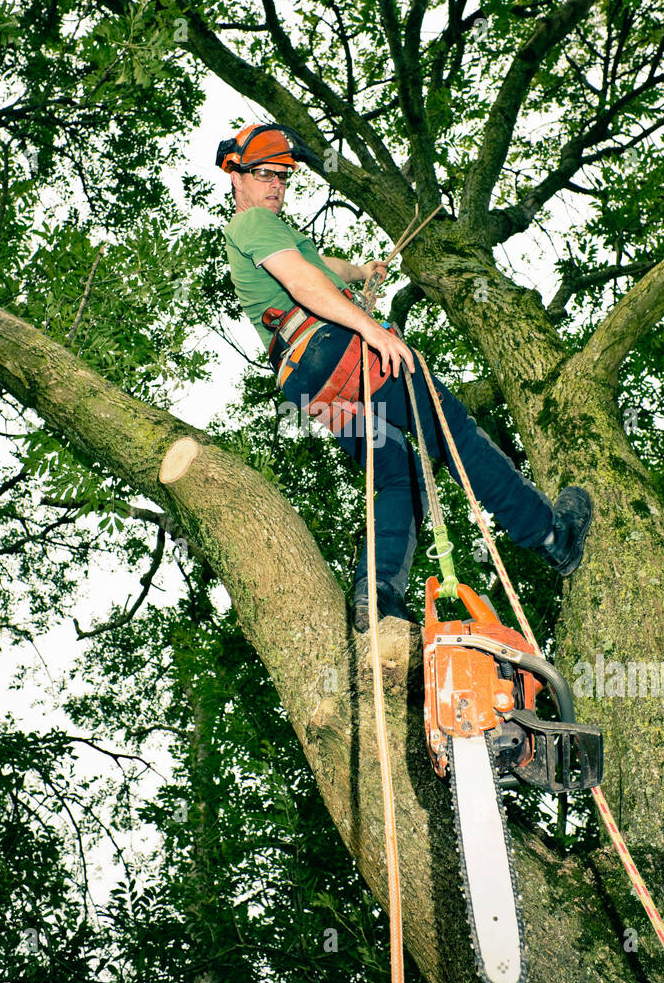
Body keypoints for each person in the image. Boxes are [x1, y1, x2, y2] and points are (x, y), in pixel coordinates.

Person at [219, 122, 592, 631]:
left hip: (311, 382)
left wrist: (362, 271)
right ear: (235, 177)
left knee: (398, 474)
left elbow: (319, 265)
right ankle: (552, 536)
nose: (274, 186)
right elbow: (302, 281)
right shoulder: (250, 224)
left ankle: (377, 598)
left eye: (282, 178)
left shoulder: (275, 235)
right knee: (453, 432)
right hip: (340, 353)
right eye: (263, 175)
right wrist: (371, 329)